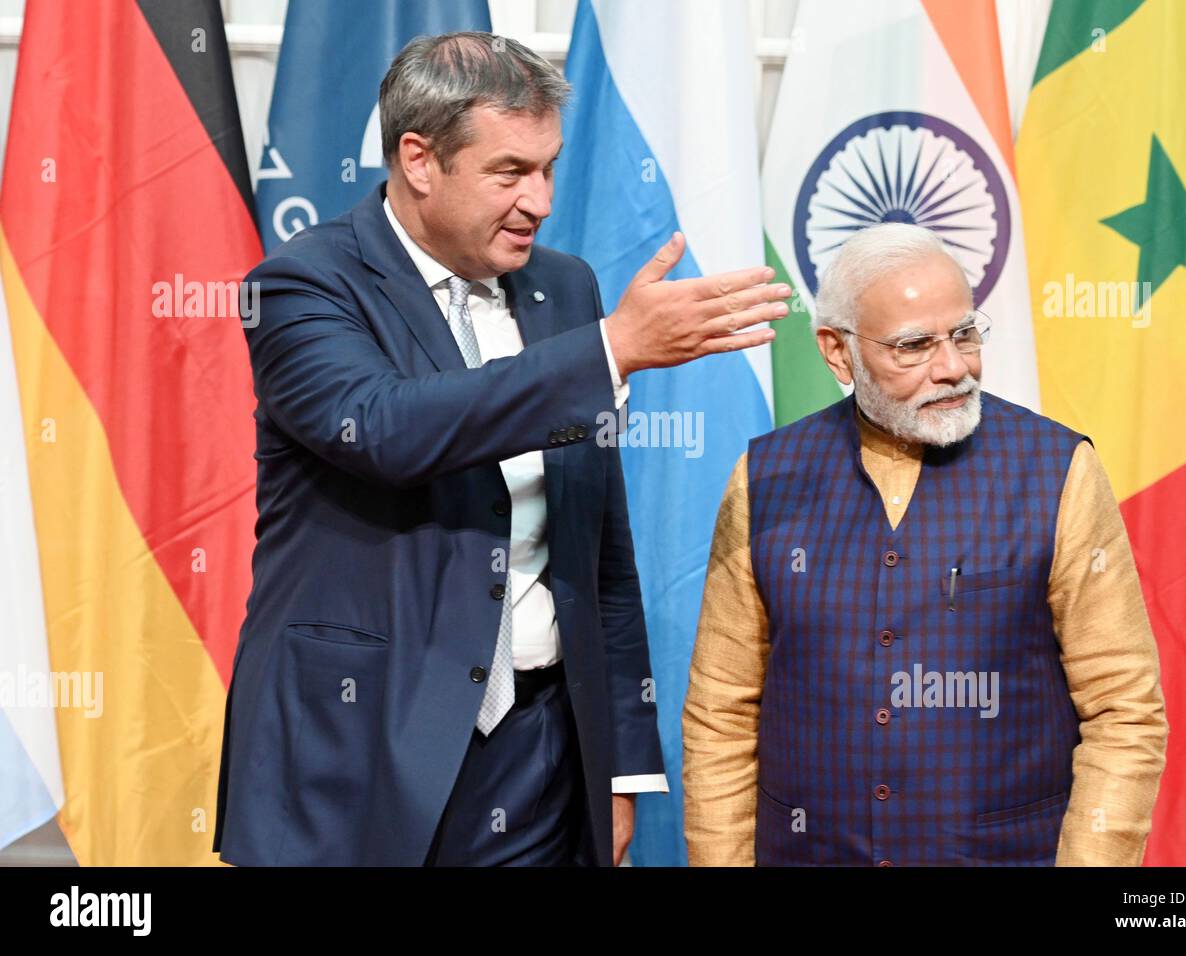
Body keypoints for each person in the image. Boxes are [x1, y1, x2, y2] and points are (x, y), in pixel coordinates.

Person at [212, 31, 789, 866]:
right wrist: (609, 353)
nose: (542, 199)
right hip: (359, 750)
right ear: (419, 159)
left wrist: (620, 764)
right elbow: (383, 428)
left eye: (549, 167)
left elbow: (599, 543)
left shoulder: (568, 290)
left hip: (541, 757)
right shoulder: (302, 284)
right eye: (511, 172)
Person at [682, 223, 1168, 866]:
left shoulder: (1059, 471)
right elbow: (720, 715)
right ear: (837, 352)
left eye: (964, 334)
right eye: (914, 346)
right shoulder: (765, 479)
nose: (954, 368)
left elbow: (1124, 713)